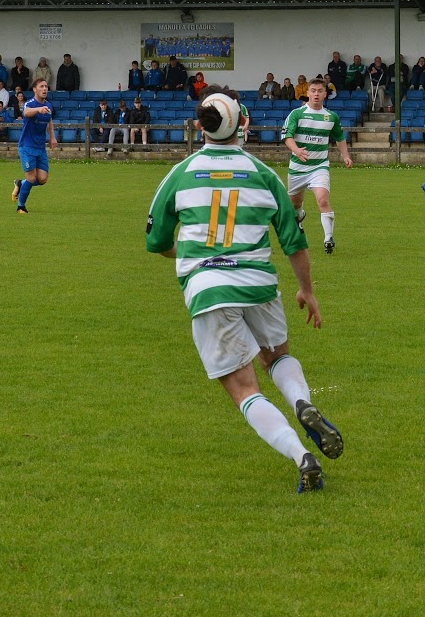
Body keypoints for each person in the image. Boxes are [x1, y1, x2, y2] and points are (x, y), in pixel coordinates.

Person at [145, 88, 343, 494]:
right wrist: (307, 291)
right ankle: (302, 402)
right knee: (278, 356)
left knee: (243, 388)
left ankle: (301, 456)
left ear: (201, 126)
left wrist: (189, 251)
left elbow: (155, 242)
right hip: (259, 283)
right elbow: (294, 241)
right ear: (241, 123)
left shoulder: (180, 173)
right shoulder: (263, 173)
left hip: (209, 288)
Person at [282, 77, 353, 255]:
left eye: (319, 91)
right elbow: (287, 137)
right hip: (297, 167)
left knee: (322, 199)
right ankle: (300, 217)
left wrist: (346, 156)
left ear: (325, 94)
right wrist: (296, 150)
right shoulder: (297, 114)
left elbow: (339, 138)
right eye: (313, 90)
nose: (316, 94)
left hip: (319, 166)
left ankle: (328, 238)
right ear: (307, 93)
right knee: (295, 206)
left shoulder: (331, 117)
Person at [11, 78, 59, 214]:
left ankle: (20, 184)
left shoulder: (49, 106)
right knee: (32, 178)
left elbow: (49, 121)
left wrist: (52, 137)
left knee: (42, 179)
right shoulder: (29, 104)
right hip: (27, 146)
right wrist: (38, 109)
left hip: (40, 147)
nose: (45, 89)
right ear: (34, 89)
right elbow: (26, 113)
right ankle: (21, 206)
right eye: (42, 86)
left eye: (46, 86)